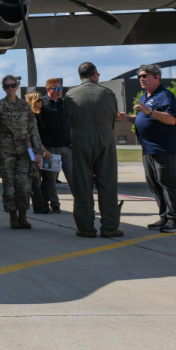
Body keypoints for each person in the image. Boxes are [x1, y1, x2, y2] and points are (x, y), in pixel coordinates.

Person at [64, 62, 124, 238]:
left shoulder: (70, 95)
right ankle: (109, 226)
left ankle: (85, 227)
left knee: (82, 184)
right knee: (107, 183)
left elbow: (68, 116)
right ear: (95, 75)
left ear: (80, 76)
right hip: (105, 139)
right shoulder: (108, 93)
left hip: (80, 140)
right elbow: (114, 116)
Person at [0, 74, 47, 229]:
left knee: (24, 185)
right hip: (6, 151)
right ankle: (13, 217)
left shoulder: (25, 106)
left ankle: (23, 216)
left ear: (17, 86)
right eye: (7, 86)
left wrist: (38, 151)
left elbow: (33, 130)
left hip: (24, 151)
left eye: (13, 85)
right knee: (9, 185)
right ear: (3, 88)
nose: (10, 89)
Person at [130, 65, 176, 232]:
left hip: (165, 149)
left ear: (156, 77)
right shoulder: (145, 96)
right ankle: (165, 217)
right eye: (139, 76)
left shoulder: (165, 95)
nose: (141, 79)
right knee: (154, 184)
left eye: (145, 75)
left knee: (168, 184)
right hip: (149, 150)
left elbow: (171, 120)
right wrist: (125, 118)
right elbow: (143, 118)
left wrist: (150, 111)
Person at [32, 78, 72, 214]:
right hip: (50, 149)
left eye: (60, 88)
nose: (59, 91)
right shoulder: (42, 104)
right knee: (51, 179)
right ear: (48, 89)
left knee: (73, 177)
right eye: (56, 88)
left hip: (67, 147)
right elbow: (37, 127)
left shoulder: (65, 103)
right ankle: (55, 204)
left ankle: (80, 204)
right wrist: (42, 147)